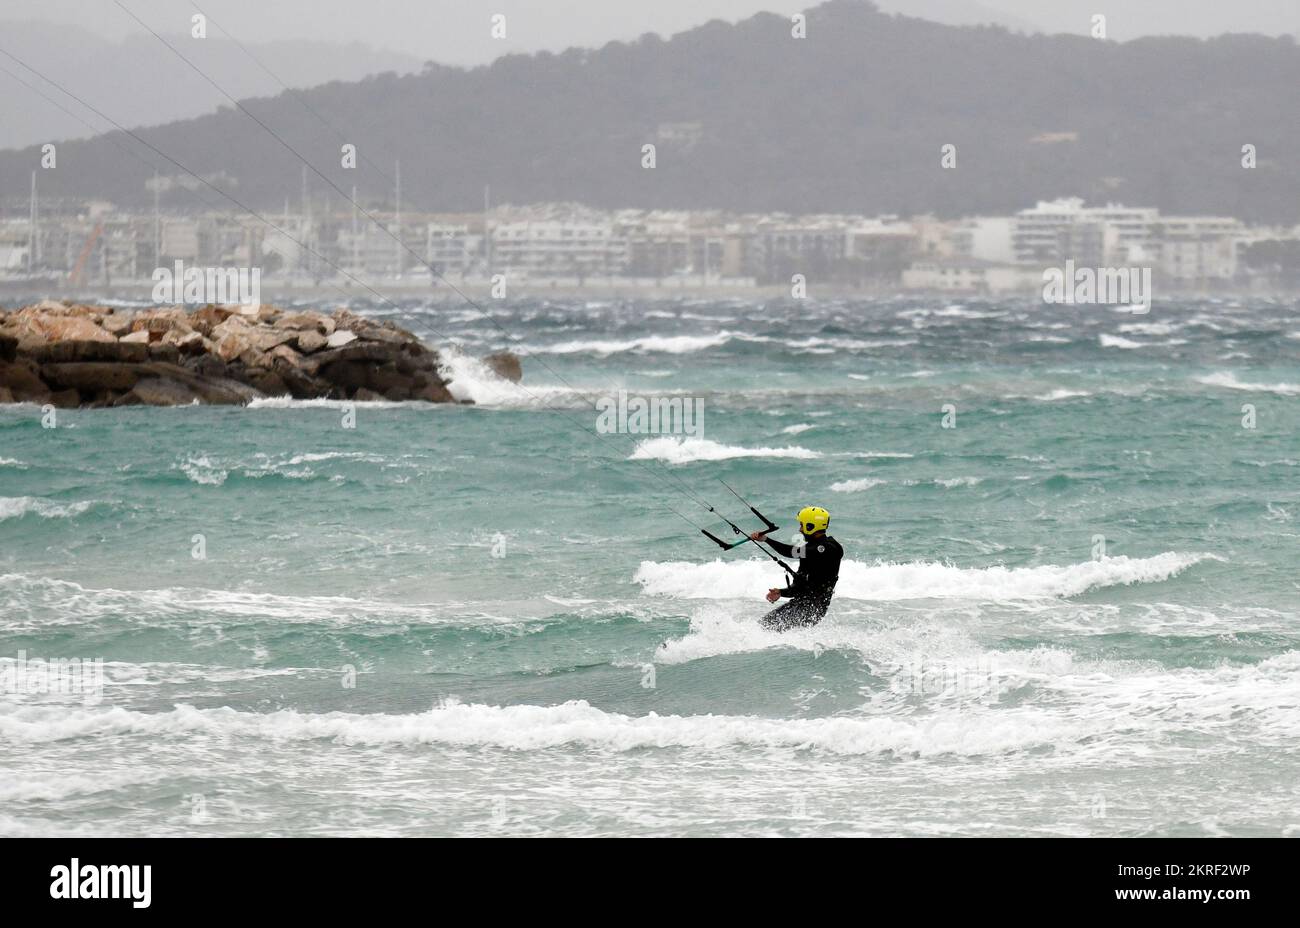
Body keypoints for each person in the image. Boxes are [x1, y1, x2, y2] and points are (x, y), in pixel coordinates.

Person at [749, 505, 843, 631]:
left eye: (802, 525)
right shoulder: (810, 551)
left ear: (811, 526)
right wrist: (781, 592)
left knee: (764, 629)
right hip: (803, 605)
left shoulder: (830, 548)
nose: (800, 530)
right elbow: (800, 589)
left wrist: (766, 539)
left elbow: (793, 552)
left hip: (812, 609)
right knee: (762, 626)